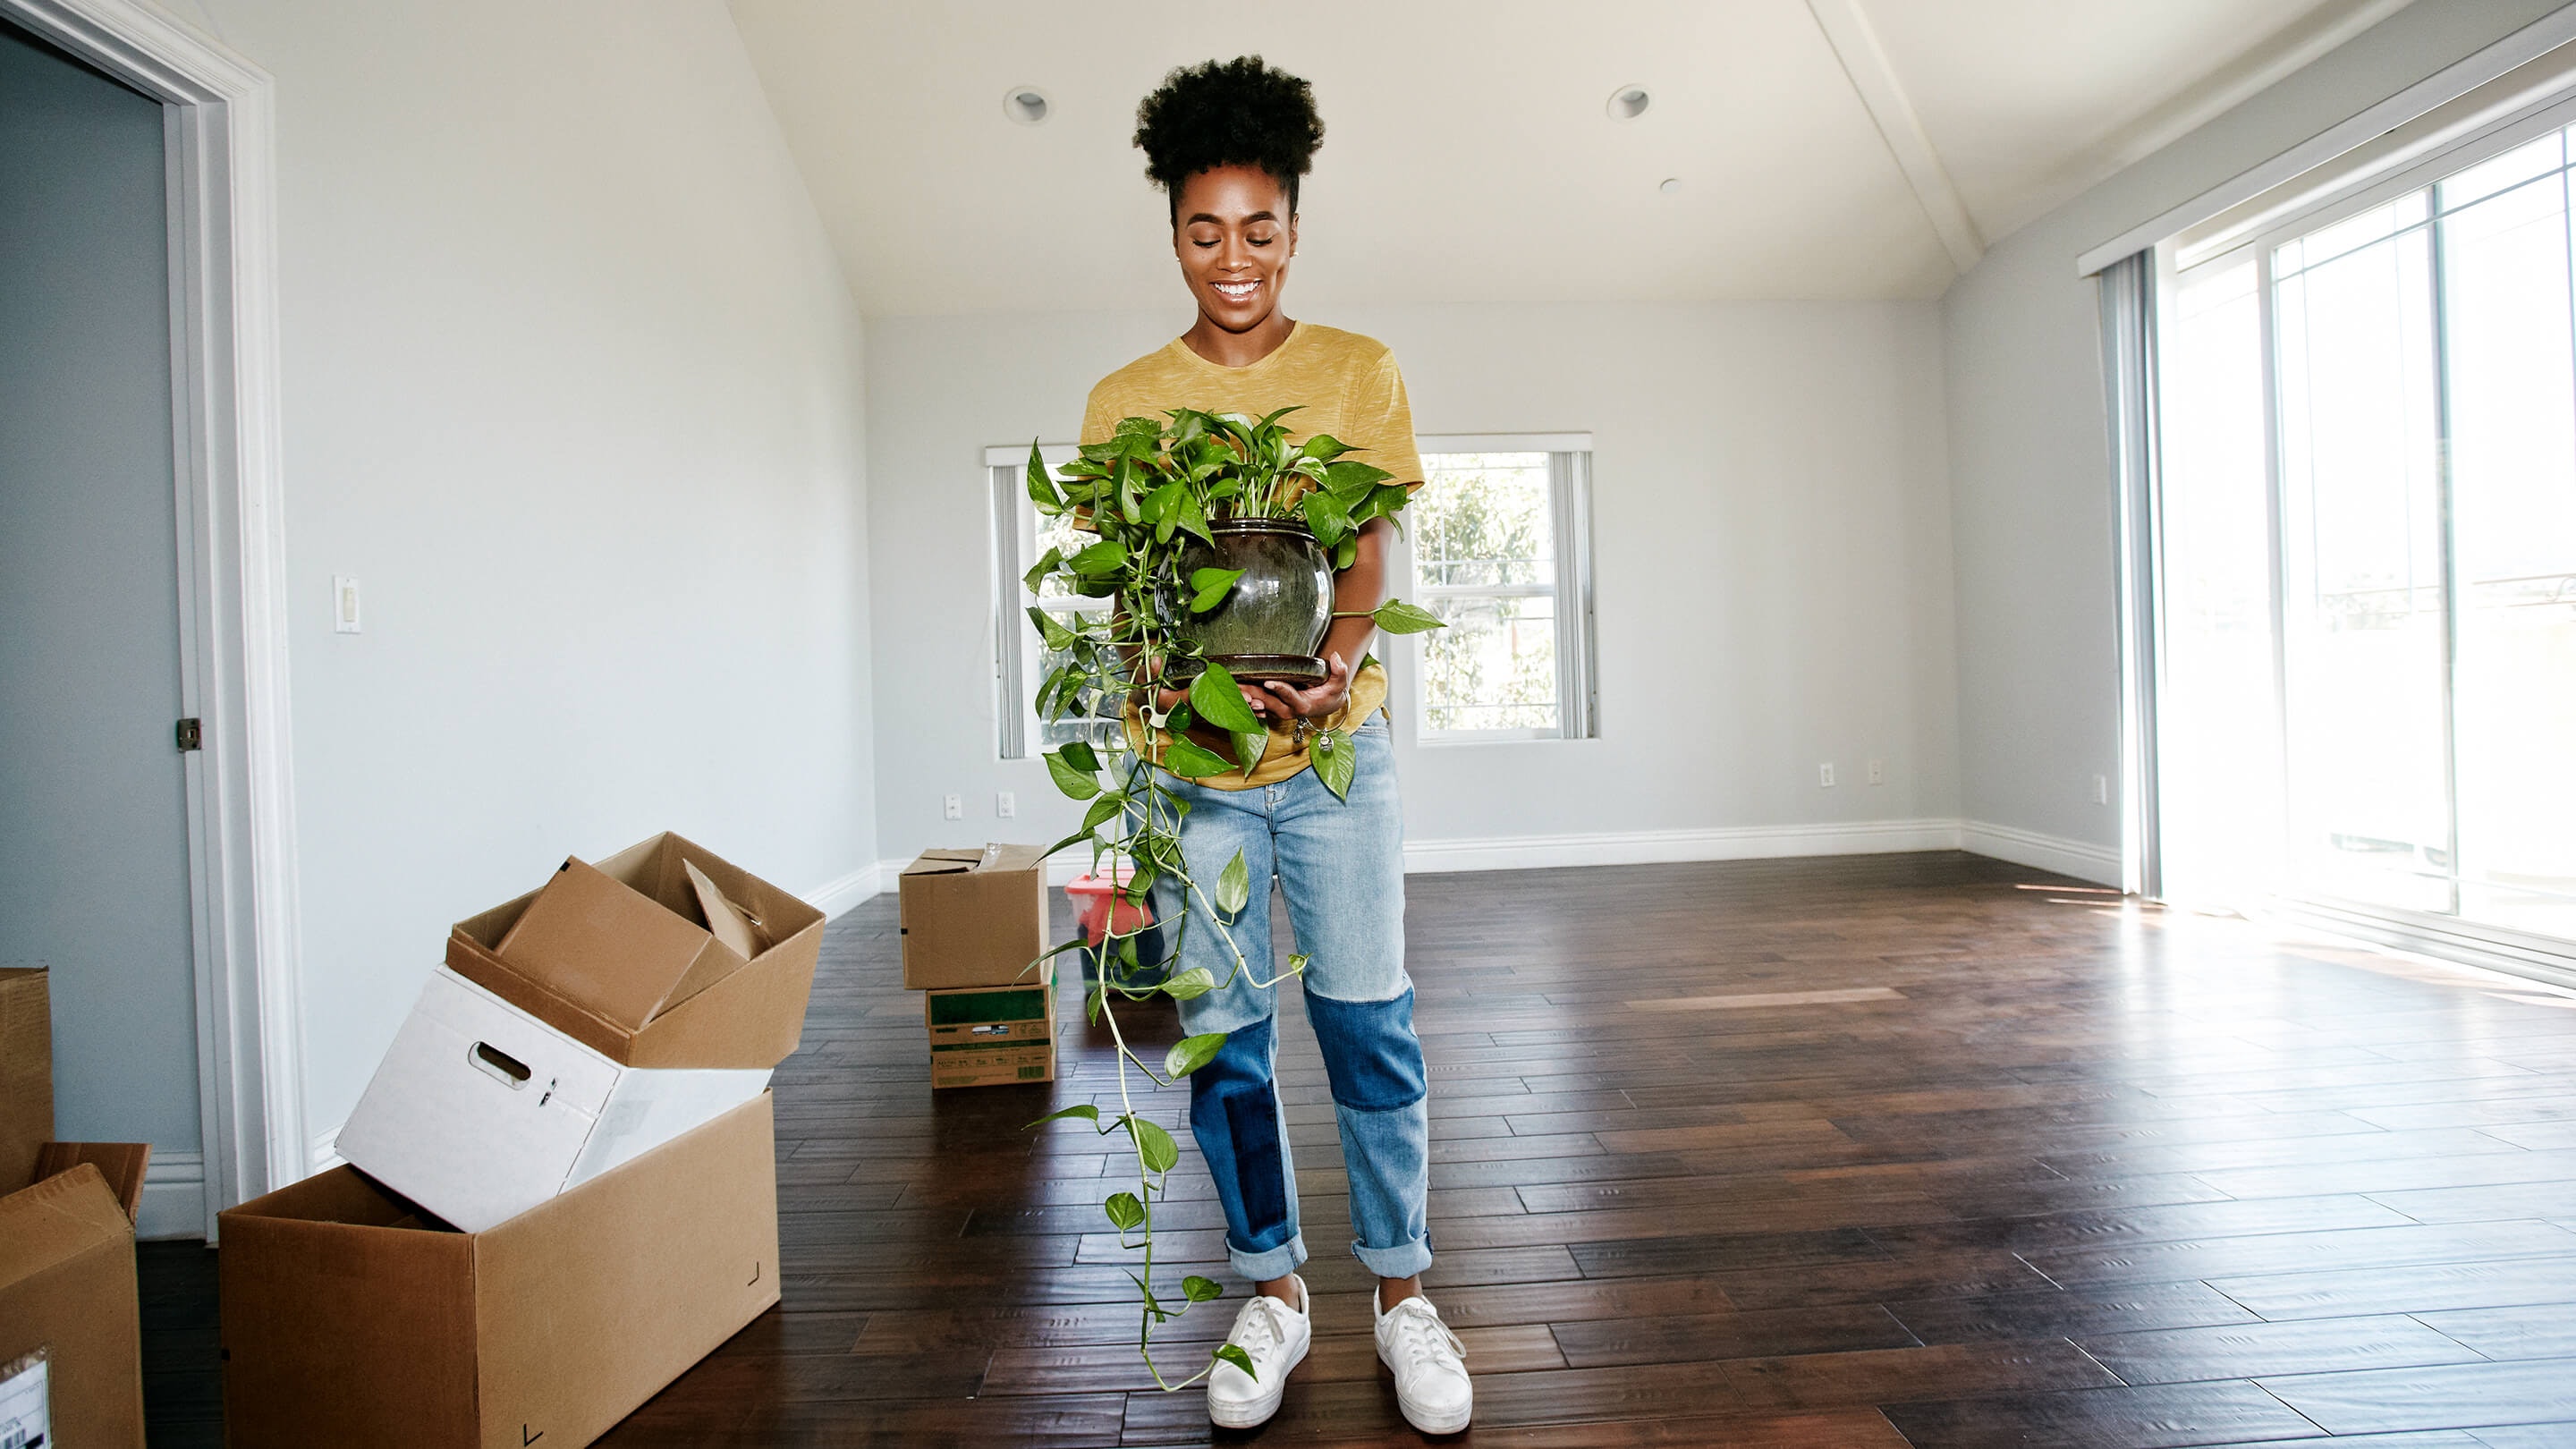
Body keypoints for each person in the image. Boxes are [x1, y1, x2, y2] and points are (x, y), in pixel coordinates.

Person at [1079, 56, 1471, 1436]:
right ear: (1172, 232)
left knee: (1371, 1025)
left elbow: (1368, 550)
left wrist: (1343, 663)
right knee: (1226, 1045)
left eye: (1258, 228)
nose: (1231, 259)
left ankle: (1403, 1296)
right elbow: (1129, 594)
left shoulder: (1359, 373)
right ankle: (1277, 1292)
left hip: (1336, 769)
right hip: (1191, 780)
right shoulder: (1124, 403)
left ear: (1294, 227)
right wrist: (1168, 693)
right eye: (1203, 229)